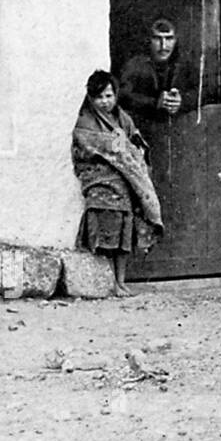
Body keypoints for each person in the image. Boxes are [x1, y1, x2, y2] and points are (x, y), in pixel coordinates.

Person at [72, 70, 164, 297]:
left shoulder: (122, 119)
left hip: (124, 183)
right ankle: (110, 282)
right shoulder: (86, 121)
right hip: (101, 181)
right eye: (99, 97)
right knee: (106, 233)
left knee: (124, 232)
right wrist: (121, 154)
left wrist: (132, 153)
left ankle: (122, 282)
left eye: (109, 96)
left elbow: (133, 144)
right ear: (91, 99)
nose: (105, 102)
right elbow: (92, 149)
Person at [118, 18, 198, 122]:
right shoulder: (134, 65)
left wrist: (182, 101)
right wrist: (154, 102)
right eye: (157, 38)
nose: (163, 46)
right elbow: (122, 95)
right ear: (148, 40)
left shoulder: (185, 65)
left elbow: (205, 91)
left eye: (169, 39)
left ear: (176, 40)